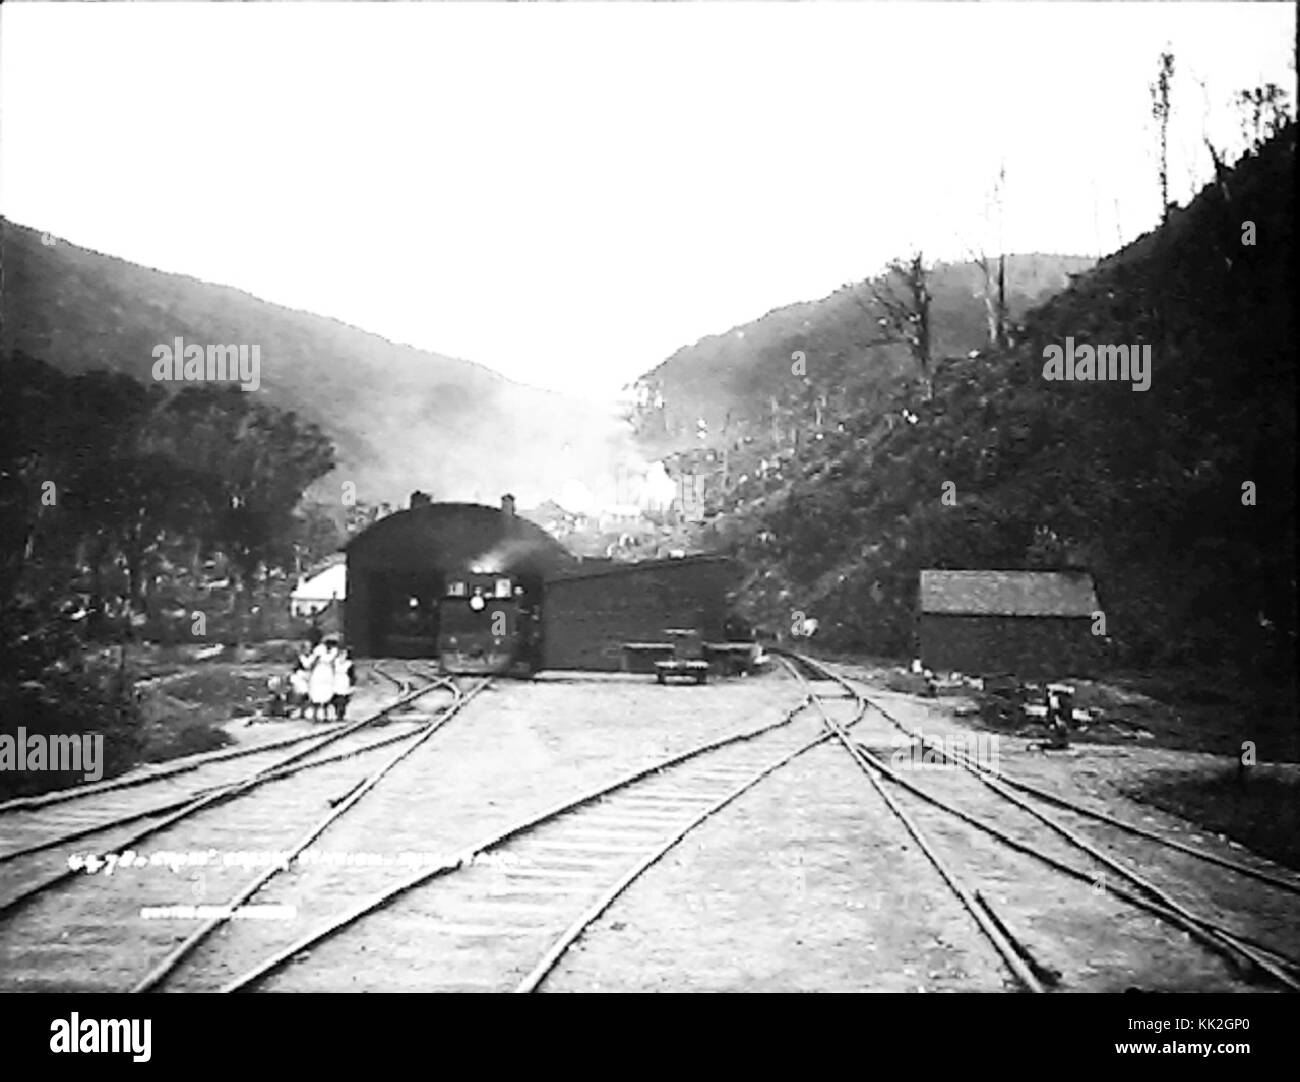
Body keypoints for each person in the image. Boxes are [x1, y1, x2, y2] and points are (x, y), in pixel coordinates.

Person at [307, 634, 340, 721]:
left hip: (327, 672)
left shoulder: (334, 650)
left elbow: (333, 662)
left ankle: (325, 715)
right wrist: (311, 671)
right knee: (317, 692)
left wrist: (334, 673)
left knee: (327, 692)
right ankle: (315, 715)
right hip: (319, 671)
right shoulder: (319, 649)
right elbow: (314, 661)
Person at [332, 646, 355, 722]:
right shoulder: (335, 662)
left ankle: (340, 714)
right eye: (341, 653)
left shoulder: (349, 664)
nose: (342, 655)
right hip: (335, 680)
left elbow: (352, 675)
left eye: (344, 654)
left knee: (343, 699)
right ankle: (337, 711)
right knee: (335, 699)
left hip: (344, 681)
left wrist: (352, 684)